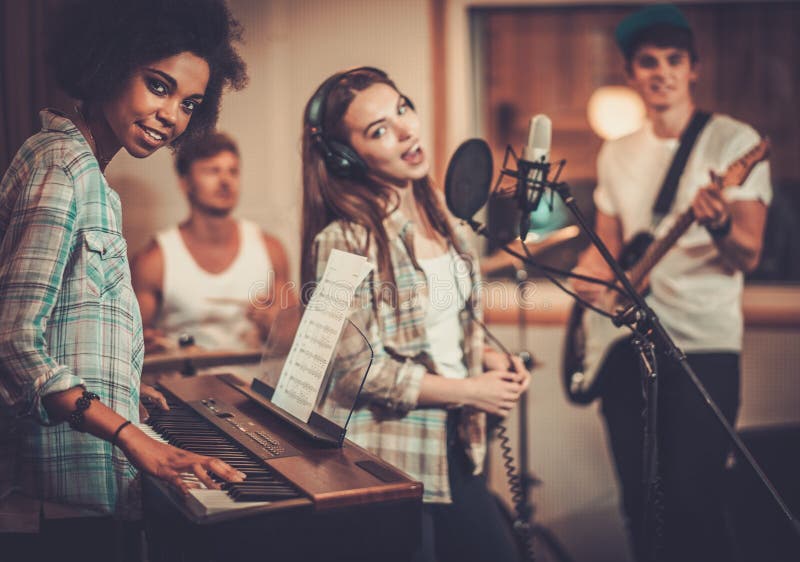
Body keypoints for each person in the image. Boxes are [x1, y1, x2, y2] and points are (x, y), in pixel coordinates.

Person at [0, 1, 249, 560]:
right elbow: (12, 341)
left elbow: (62, 326)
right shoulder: (60, 166)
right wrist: (132, 436)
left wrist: (119, 384)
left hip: (83, 495)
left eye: (189, 104)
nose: (172, 116)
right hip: (50, 506)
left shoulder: (92, 180)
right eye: (158, 86)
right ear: (108, 63)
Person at [301, 67, 531, 562]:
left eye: (402, 108)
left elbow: (442, 328)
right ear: (347, 157)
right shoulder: (342, 240)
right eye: (379, 129)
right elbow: (353, 372)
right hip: (387, 457)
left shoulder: (444, 217)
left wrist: (488, 359)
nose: (406, 130)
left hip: (456, 443)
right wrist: (470, 390)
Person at [571, 4, 771, 561]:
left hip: (701, 345)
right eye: (648, 62)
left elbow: (748, 254)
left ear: (693, 68)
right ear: (631, 73)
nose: (661, 72)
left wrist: (720, 223)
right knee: (639, 503)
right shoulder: (617, 151)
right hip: (625, 344)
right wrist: (588, 279)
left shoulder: (732, 143)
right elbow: (608, 246)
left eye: (673, 60)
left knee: (694, 502)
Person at [131, 132, 292, 368]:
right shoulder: (155, 260)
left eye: (233, 171)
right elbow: (132, 348)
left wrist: (276, 325)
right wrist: (148, 344)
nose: (225, 181)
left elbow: (291, 340)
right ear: (185, 183)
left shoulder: (271, 249)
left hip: (253, 385)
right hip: (185, 385)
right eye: (212, 171)